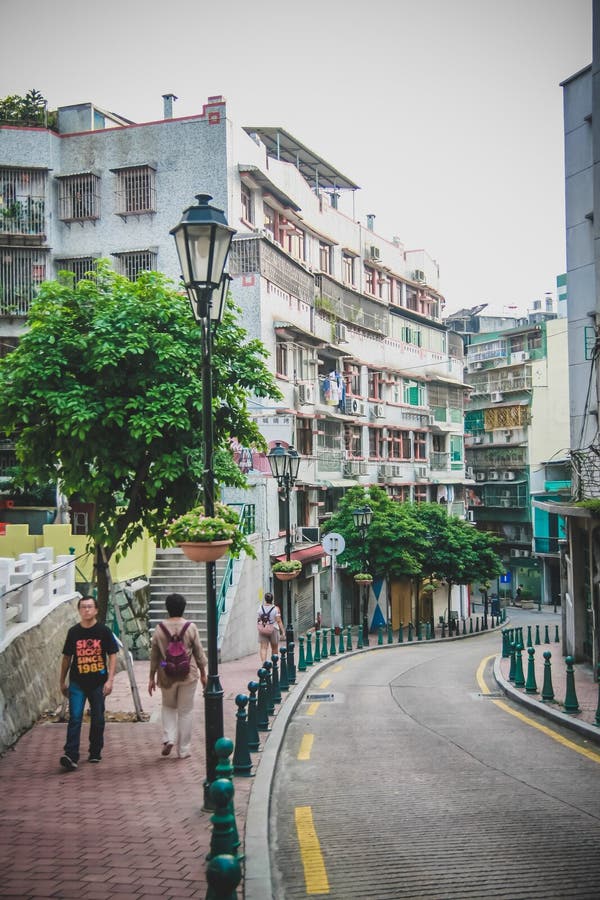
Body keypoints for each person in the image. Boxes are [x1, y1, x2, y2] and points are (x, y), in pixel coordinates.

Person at [59, 595, 118, 770]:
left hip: (98, 682)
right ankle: (71, 755)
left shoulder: (104, 631)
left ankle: (95, 751)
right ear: (79, 610)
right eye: (83, 607)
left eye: (90, 607)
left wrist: (110, 680)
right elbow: (67, 658)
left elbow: (112, 655)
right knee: (75, 717)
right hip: (77, 682)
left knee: (98, 718)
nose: (86, 610)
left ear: (96, 610)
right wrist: (62, 681)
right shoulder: (73, 632)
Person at [148, 593, 207, 759]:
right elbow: (199, 653)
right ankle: (184, 750)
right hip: (188, 673)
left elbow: (155, 656)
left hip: (166, 672)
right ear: (183, 608)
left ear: (167, 608)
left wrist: (152, 677)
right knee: (185, 711)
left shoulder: (159, 629)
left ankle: (169, 738)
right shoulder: (190, 627)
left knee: (168, 707)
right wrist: (203, 674)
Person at [257, 592, 283, 663]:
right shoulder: (276, 609)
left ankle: (263, 663)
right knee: (274, 647)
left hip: (263, 629)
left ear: (265, 599)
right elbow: (279, 621)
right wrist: (283, 631)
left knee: (263, 647)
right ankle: (274, 663)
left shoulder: (260, 607)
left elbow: (259, 618)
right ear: (272, 599)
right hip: (274, 629)